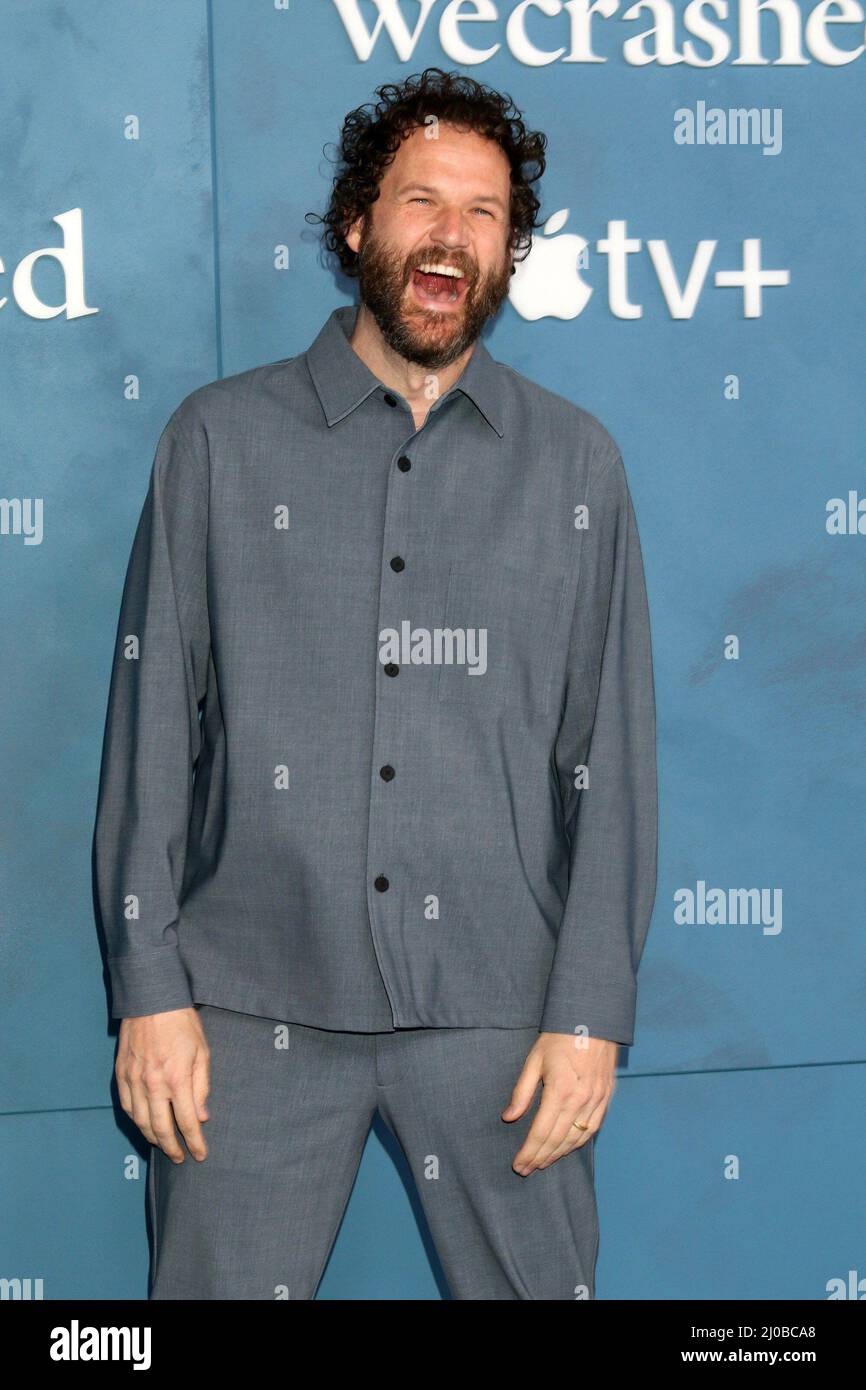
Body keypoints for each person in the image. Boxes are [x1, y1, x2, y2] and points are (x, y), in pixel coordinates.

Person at [93, 67, 658, 1301]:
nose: (449, 236)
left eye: (484, 212)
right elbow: (149, 741)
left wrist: (589, 1015)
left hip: (504, 1018)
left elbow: (606, 761)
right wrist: (150, 992)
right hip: (242, 1013)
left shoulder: (574, 464)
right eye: (420, 202)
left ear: (510, 249)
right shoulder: (217, 441)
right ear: (358, 224)